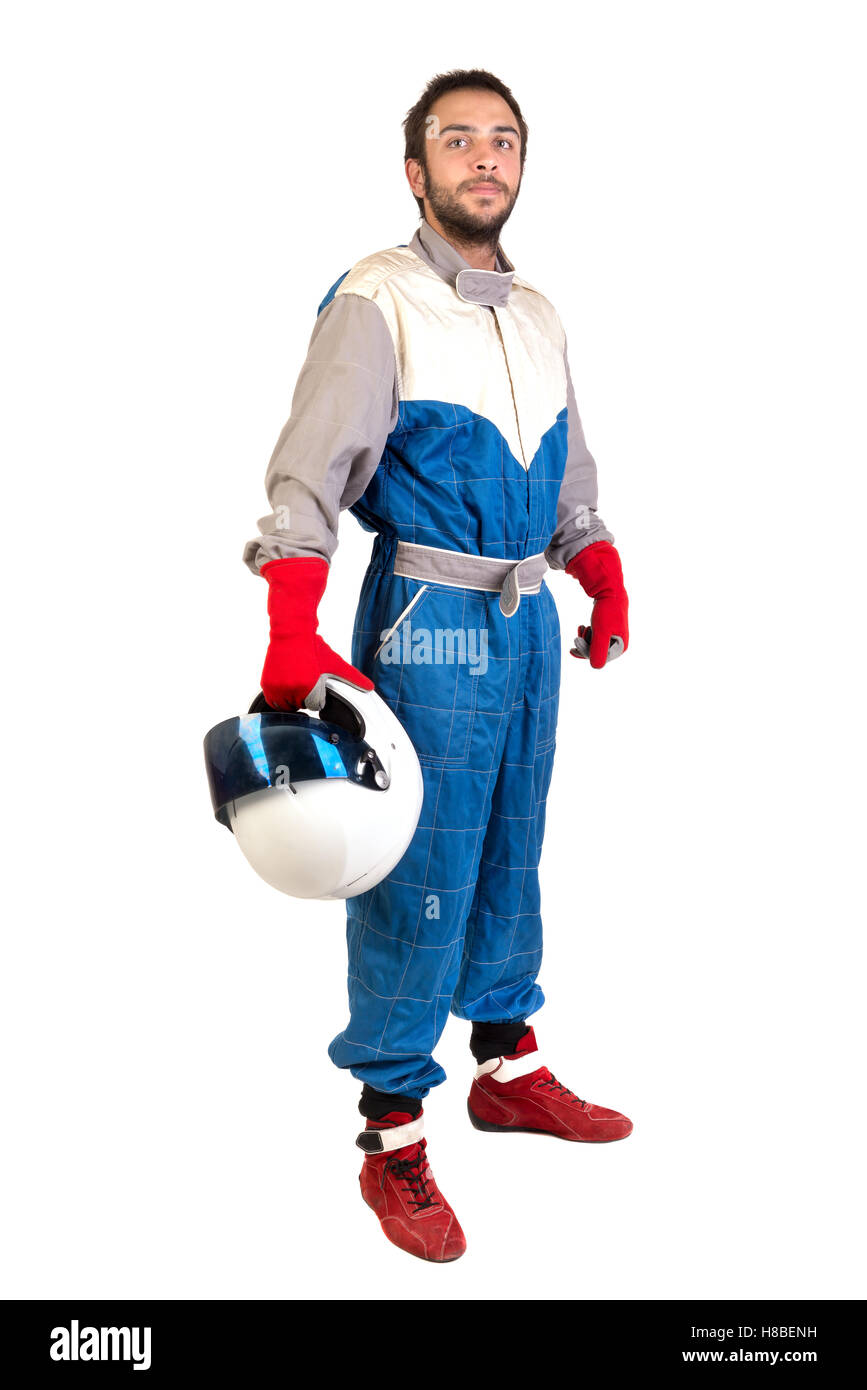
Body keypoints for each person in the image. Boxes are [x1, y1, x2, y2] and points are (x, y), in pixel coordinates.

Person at [243, 69, 632, 1263]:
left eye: (502, 140)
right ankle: (394, 1134)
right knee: (419, 864)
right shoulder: (378, 300)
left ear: (520, 166)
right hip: (429, 617)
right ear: (416, 171)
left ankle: (508, 1064)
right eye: (457, 140)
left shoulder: (539, 312)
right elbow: (311, 468)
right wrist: (292, 625)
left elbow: (567, 475)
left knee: (513, 836)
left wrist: (600, 564)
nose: (483, 158)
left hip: (523, 627)